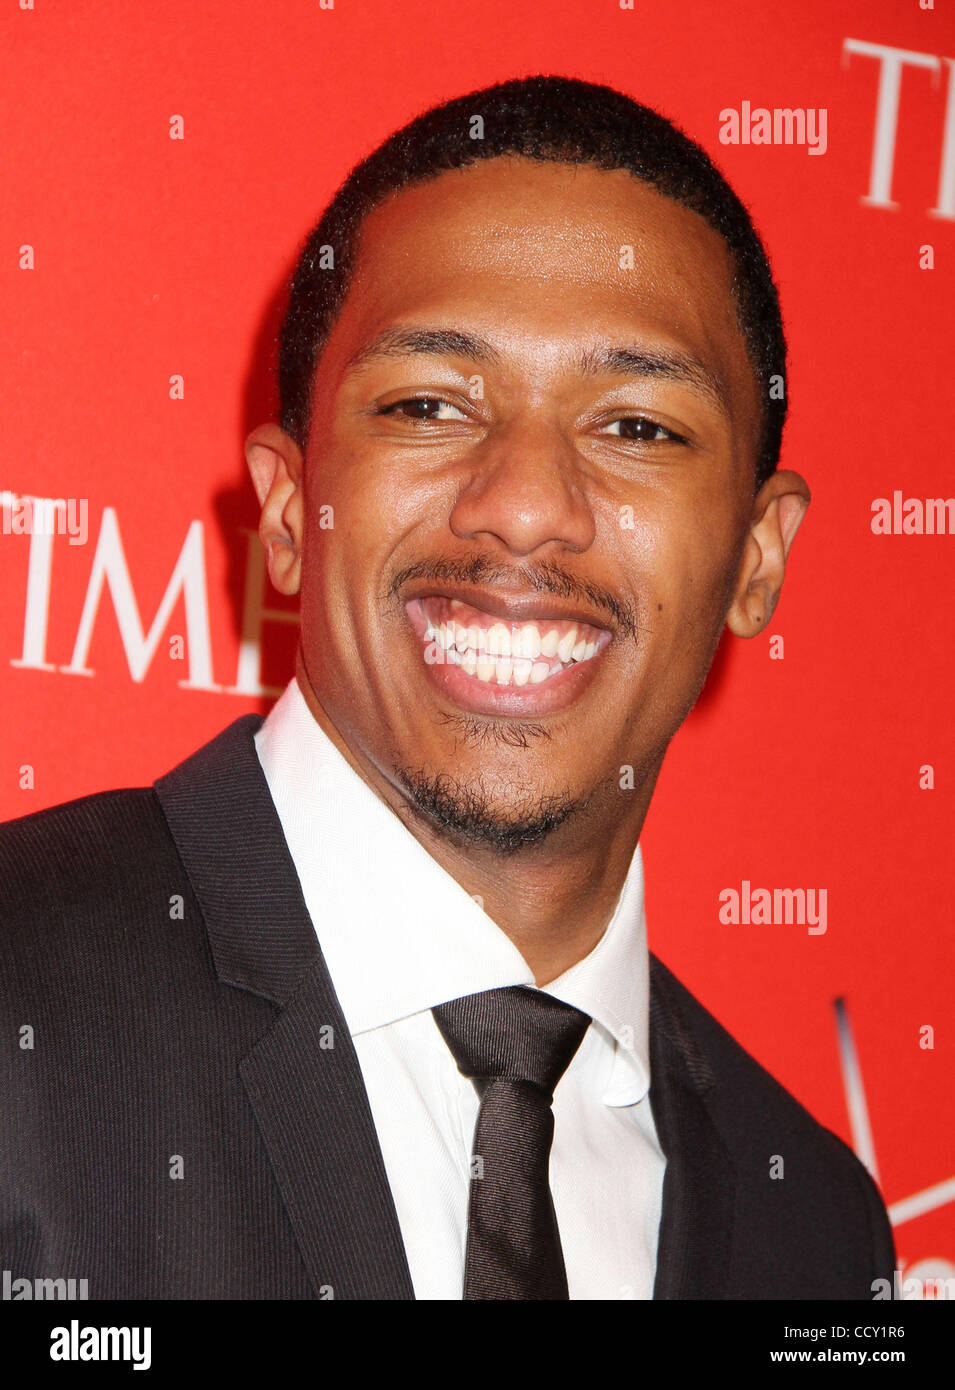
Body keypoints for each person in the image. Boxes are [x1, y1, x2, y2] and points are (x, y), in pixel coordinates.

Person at [0, 75, 894, 1300]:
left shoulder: (817, 1232)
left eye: (636, 427)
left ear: (756, 556)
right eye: (428, 404)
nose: (525, 502)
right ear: (284, 513)